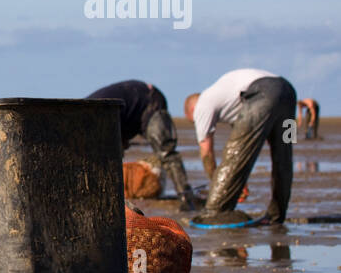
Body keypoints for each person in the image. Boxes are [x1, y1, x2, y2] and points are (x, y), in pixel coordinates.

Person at [185, 69, 297, 225]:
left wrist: (216, 185)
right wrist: (239, 182)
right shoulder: (228, 100)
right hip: (289, 93)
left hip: (262, 92)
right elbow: (246, 149)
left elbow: (207, 153)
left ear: (192, 110)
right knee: (285, 155)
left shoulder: (202, 104)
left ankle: (215, 212)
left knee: (232, 155)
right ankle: (277, 216)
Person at [88, 80, 200, 210]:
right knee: (111, 158)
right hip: (122, 116)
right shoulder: (89, 117)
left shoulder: (88, 116)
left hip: (149, 101)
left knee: (166, 151)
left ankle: (186, 197)